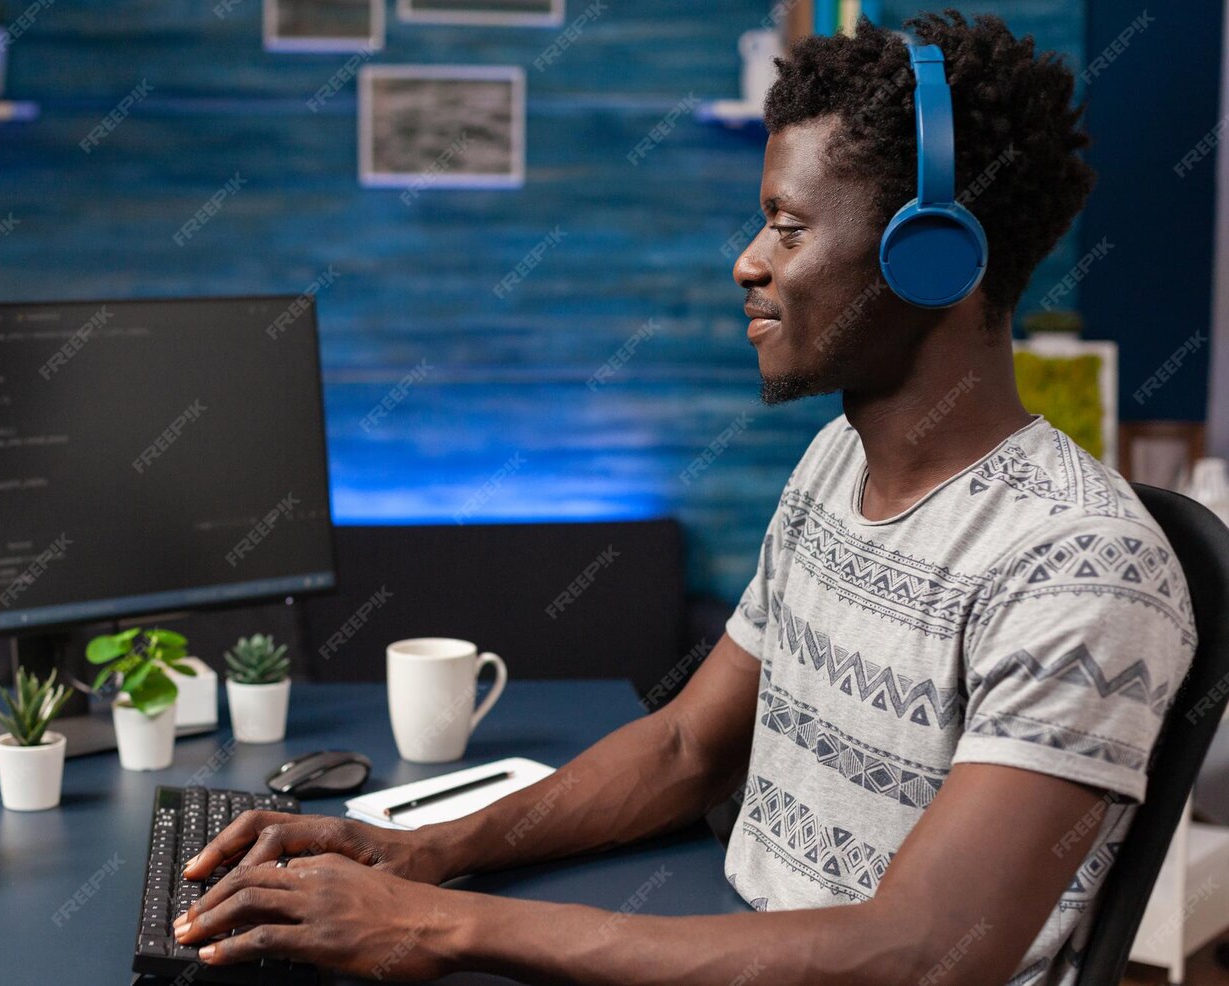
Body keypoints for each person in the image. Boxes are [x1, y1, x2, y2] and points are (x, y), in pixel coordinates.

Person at [172, 11, 1197, 984]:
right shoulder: (833, 466)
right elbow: (685, 745)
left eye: (788, 228)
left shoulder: (1081, 568)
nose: (748, 262)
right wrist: (422, 851)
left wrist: (439, 925)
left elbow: (922, 952)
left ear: (934, 257)